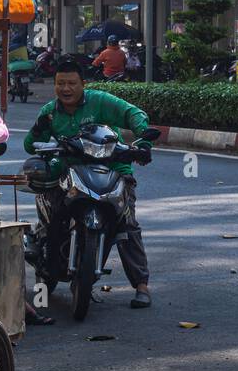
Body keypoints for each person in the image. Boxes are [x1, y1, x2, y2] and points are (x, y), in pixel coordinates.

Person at [24, 56, 153, 311]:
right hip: (69, 174)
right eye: (61, 84)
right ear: (55, 85)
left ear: (83, 84)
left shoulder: (101, 101)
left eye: (72, 83)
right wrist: (39, 129)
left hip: (112, 170)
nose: (66, 89)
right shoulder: (49, 112)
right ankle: (47, 261)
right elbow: (30, 144)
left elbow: (133, 114)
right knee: (54, 214)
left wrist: (144, 141)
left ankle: (141, 286)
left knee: (126, 223)